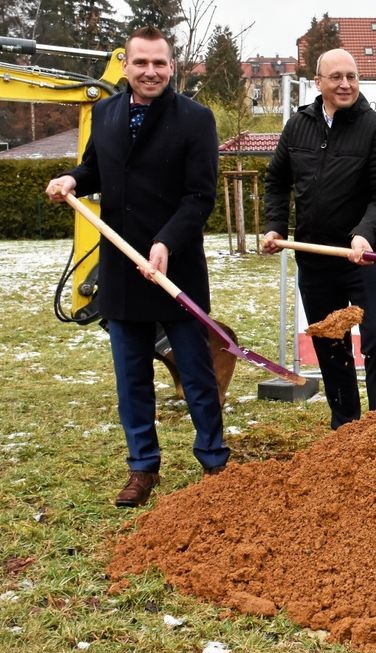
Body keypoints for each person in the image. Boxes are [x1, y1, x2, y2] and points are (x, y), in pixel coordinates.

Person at [45, 26, 227, 507]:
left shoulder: (195, 119)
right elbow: (95, 170)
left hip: (175, 267)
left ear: (172, 66)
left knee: (197, 373)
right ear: (125, 65)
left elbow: (199, 195)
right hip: (122, 268)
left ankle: (214, 461)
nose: (151, 72)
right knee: (131, 380)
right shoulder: (104, 113)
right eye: (141, 63)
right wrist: (72, 178)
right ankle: (142, 468)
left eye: (160, 63)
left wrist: (166, 241)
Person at [263, 48, 376, 430]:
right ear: (318, 82)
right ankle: (345, 424)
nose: (345, 84)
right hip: (316, 258)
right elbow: (276, 182)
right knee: (329, 341)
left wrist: (363, 234)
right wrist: (275, 225)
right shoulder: (297, 126)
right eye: (336, 77)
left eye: (352, 77)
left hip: (365, 258)